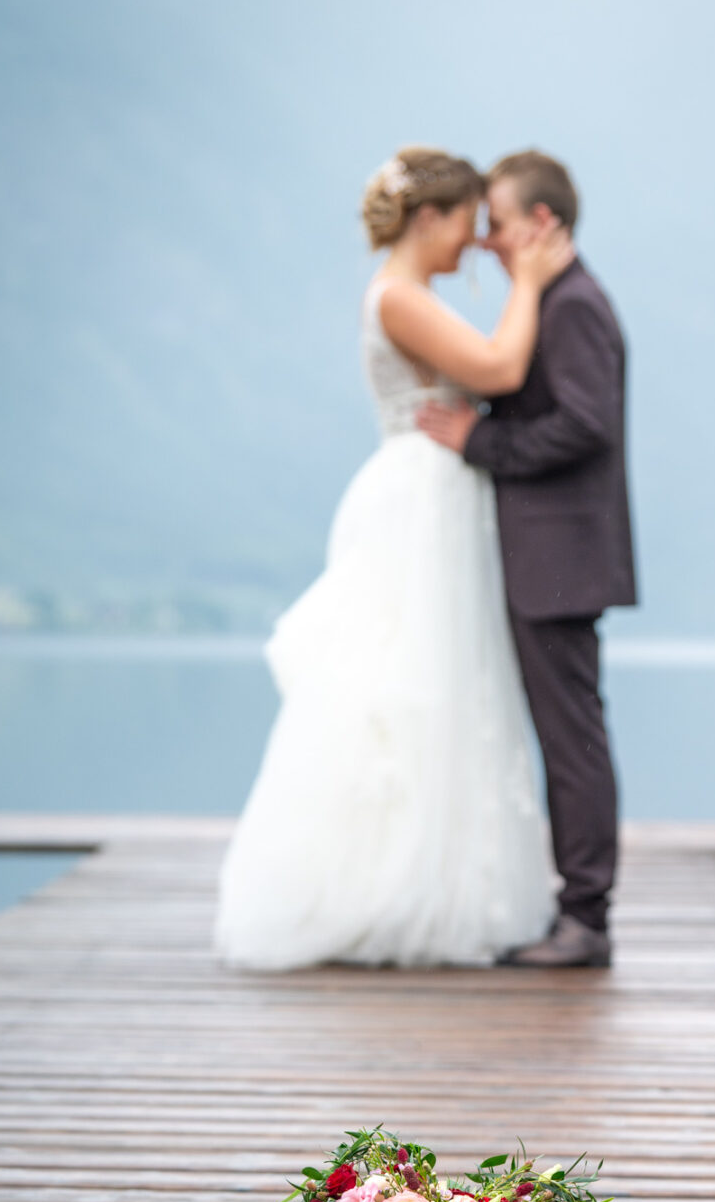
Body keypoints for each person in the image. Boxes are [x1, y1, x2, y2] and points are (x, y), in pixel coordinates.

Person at [213, 147, 570, 970]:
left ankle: (441, 876)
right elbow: (500, 366)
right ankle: (392, 885)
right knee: (411, 681)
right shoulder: (401, 299)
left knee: (447, 683)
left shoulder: (409, 297)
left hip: (436, 497)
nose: (474, 243)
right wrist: (528, 283)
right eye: (466, 224)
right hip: (420, 506)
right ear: (428, 219)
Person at [418, 150, 637, 967]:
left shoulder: (576, 306)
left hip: (560, 558)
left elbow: (586, 423)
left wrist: (483, 439)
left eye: (499, 224)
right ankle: (576, 908)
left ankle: (587, 916)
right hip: (547, 555)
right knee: (564, 735)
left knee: (571, 739)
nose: (488, 242)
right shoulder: (556, 298)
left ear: (541, 222)